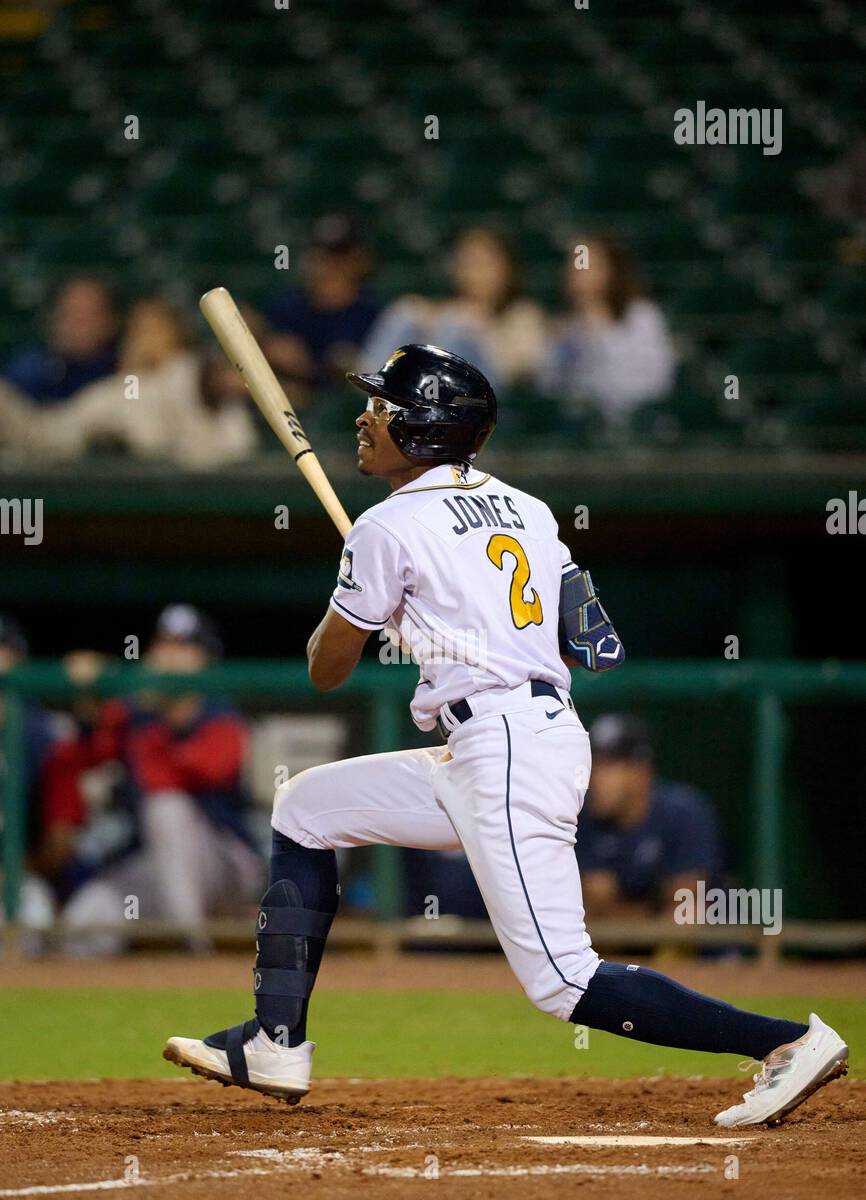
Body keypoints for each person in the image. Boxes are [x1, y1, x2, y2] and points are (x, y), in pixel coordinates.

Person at [165, 345, 848, 1129]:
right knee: (305, 809)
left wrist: (360, 591)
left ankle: (788, 1043)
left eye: (382, 406)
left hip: (506, 745)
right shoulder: (528, 509)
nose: (364, 417)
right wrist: (435, 604)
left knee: (563, 981)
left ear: (422, 427)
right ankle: (277, 1040)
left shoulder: (386, 528)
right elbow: (596, 644)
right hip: (508, 735)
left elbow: (327, 669)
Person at [48, 606, 263, 953]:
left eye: (185, 646)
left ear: (206, 661)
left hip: (226, 867)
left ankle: (191, 949)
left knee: (166, 809)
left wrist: (149, 716)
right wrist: (92, 703)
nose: (170, 656)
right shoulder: (133, 713)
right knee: (86, 919)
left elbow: (183, 777)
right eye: (164, 644)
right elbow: (74, 760)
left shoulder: (222, 717)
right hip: (159, 871)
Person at [0, 298, 257, 470]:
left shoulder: (191, 371)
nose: (144, 339)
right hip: (59, 436)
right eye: (138, 330)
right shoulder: (124, 383)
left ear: (176, 333)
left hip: (176, 470)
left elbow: (229, 416)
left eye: (154, 329)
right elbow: (66, 424)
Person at [363, 226, 545, 392]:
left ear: (507, 269)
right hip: (430, 388)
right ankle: (371, 381)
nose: (474, 273)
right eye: (466, 263)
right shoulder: (450, 311)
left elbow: (520, 371)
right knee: (408, 309)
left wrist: (480, 329)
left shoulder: (523, 313)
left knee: (455, 326)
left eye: (483, 263)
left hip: (489, 402)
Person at [577, 713, 723, 920]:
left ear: (641, 771)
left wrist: (620, 910)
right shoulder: (583, 818)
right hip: (612, 947)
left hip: (696, 949)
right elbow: (590, 909)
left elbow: (685, 910)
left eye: (608, 767)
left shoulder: (683, 813)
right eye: (592, 765)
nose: (595, 778)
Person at [538, 234, 676, 421]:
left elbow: (657, 382)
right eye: (574, 265)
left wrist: (601, 333)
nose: (578, 272)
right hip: (578, 429)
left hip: (635, 424)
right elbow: (548, 385)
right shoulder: (563, 326)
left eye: (587, 264)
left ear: (611, 270)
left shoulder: (642, 317)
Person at [264, 214, 381, 399]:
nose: (329, 264)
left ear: (359, 259)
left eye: (339, 256)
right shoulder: (289, 307)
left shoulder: (373, 311)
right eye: (322, 255)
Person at [0, 615, 57, 933]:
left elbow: (59, 840)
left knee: (33, 919)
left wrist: (14, 871)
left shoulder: (42, 735)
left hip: (24, 878)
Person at [3, 276, 118, 403]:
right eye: (68, 314)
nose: (74, 325)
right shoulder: (32, 365)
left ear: (109, 322)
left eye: (85, 317)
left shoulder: (123, 369)